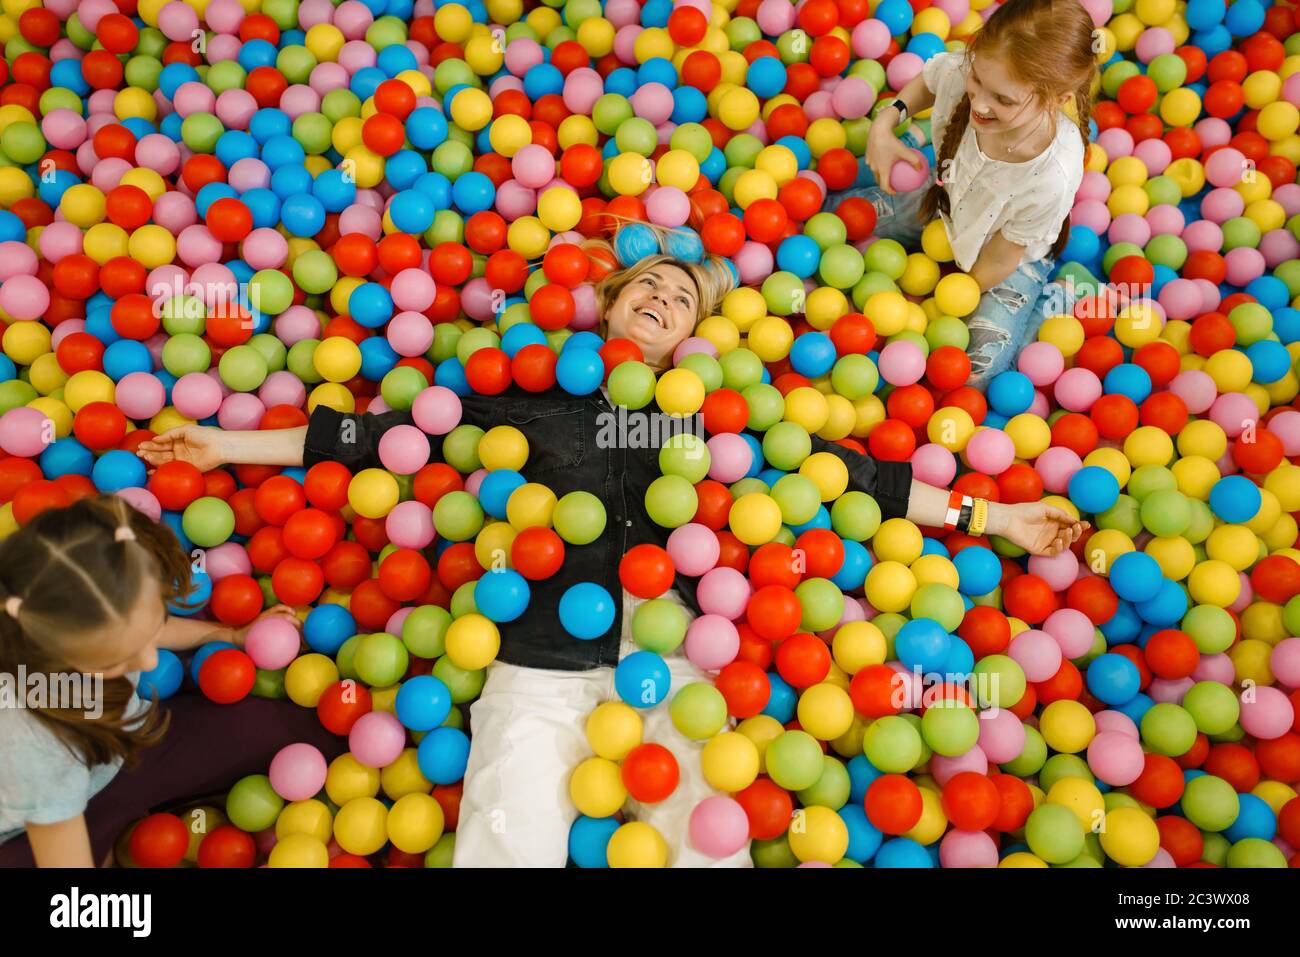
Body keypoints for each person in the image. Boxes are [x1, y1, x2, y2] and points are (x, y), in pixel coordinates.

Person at [138, 237, 1087, 867]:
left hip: (678, 658)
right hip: (540, 656)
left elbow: (860, 479)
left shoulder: (721, 424)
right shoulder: (535, 402)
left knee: (702, 838)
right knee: (505, 836)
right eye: (649, 286)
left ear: (692, 336)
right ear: (610, 304)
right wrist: (226, 445)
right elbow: (373, 436)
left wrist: (995, 519)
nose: (664, 299)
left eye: (683, 299)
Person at [0, 495, 341, 867]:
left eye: (147, 630)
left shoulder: (84, 593)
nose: (148, 660)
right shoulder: (35, 743)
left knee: (315, 733)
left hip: (124, 748)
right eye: (119, 658)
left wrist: (228, 635)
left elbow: (145, 626)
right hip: (33, 822)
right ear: (54, 651)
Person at [830, 0, 1098, 384]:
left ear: (1057, 100)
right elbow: (930, 81)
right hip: (944, 200)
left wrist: (942, 303)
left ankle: (1055, 300)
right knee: (838, 214)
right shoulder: (971, 71)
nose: (980, 103)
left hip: (1006, 259)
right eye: (977, 82)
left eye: (1004, 100)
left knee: (975, 374)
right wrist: (886, 122)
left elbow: (1000, 258)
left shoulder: (1051, 174)